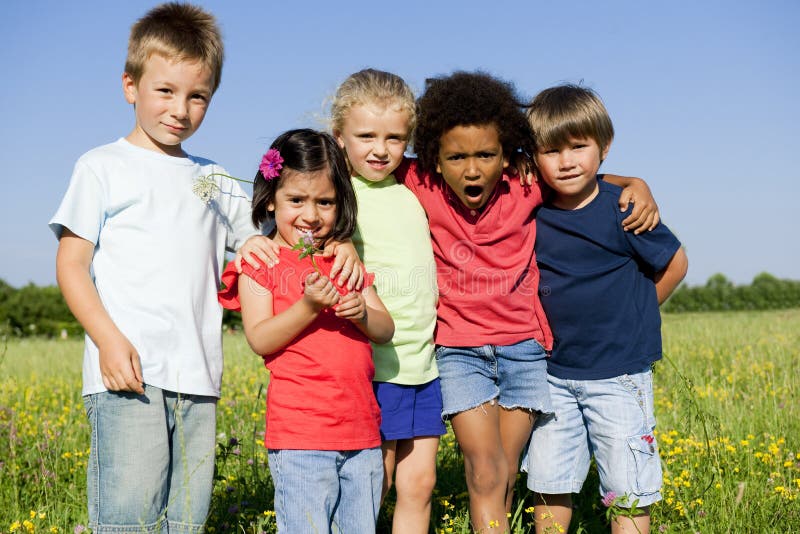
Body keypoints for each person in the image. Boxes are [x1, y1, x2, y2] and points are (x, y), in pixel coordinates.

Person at [48, 4, 281, 531]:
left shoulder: (214, 178)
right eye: (165, 91)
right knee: (129, 517)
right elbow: (71, 265)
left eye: (197, 96)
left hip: (198, 375)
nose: (181, 109)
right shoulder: (101, 167)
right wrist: (107, 340)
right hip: (128, 372)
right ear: (130, 86)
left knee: (185, 520)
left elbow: (256, 244)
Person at [398, 71, 661, 532]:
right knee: (484, 468)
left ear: (508, 157)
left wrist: (634, 181)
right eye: (456, 157)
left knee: (505, 466)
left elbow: (580, 177)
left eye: (486, 155)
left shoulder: (525, 184)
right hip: (460, 351)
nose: (472, 169)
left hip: (524, 351)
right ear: (435, 160)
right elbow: (367, 162)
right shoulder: (421, 181)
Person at [524, 84, 689, 534]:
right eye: (551, 150)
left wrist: (638, 310)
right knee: (548, 481)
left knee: (628, 486)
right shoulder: (532, 211)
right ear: (533, 157)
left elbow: (675, 263)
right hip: (553, 374)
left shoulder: (624, 209)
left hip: (620, 376)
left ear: (604, 147)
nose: (567, 160)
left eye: (579, 146)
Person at [217, 129, 395, 533]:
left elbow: (384, 329)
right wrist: (308, 306)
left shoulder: (341, 259)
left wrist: (362, 315)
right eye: (295, 200)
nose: (311, 215)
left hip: (363, 433)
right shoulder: (260, 262)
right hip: (301, 437)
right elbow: (260, 338)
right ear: (270, 199)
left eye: (325, 202)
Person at [330, 68, 444, 533]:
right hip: (373, 363)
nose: (381, 149)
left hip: (423, 362)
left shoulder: (413, 187)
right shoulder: (336, 193)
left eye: (395, 137)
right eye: (366, 136)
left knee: (420, 485)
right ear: (339, 137)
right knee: (375, 479)